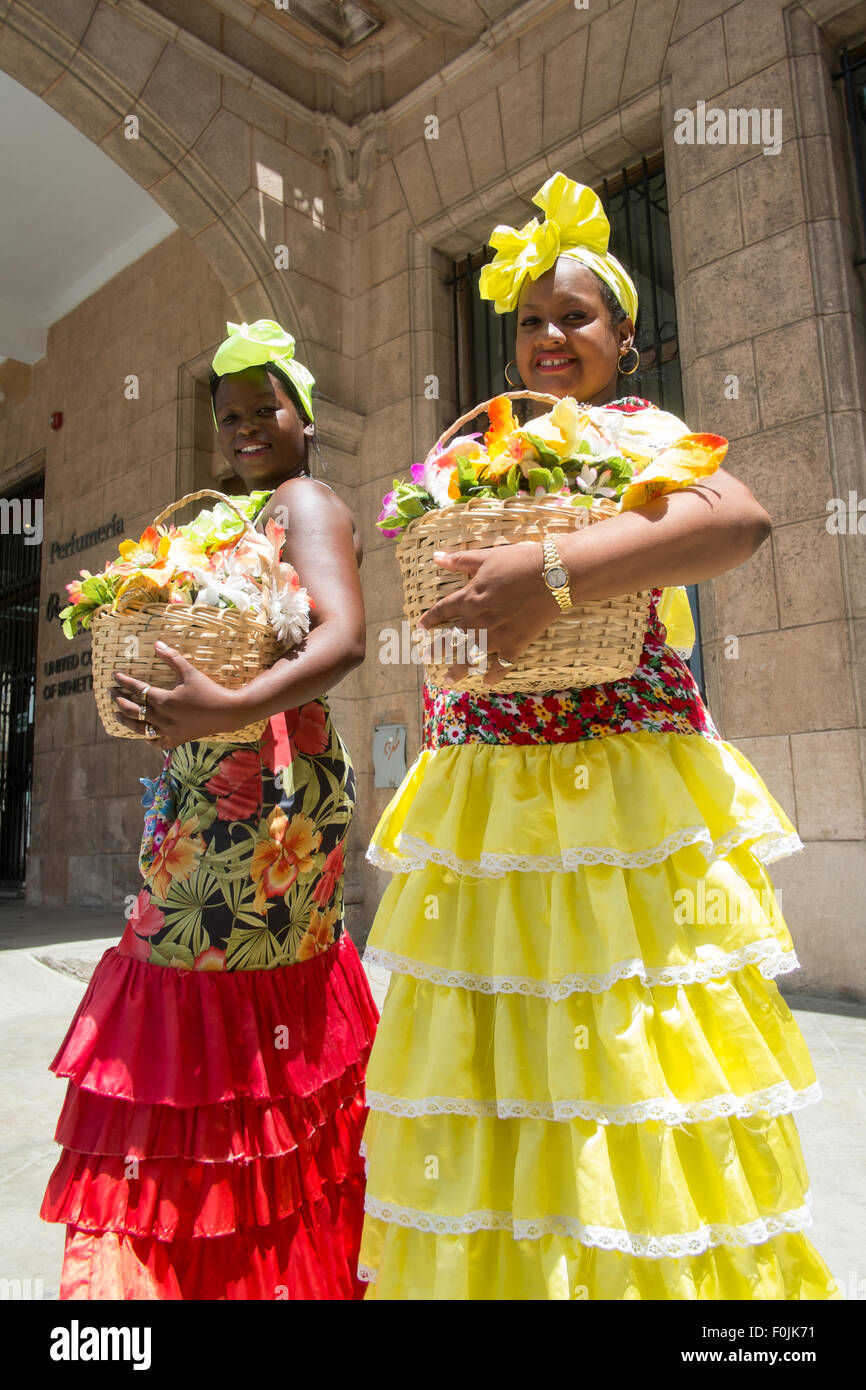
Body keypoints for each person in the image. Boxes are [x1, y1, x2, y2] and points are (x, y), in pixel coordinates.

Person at [356, 174, 841, 1300]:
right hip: (489, 794)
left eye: (574, 315)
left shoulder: (638, 435)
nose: (548, 337)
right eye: (527, 320)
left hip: (616, 788)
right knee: (499, 1053)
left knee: (625, 1036)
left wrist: (548, 572)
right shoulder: (476, 456)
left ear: (624, 335)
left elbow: (737, 521)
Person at [40, 319, 378, 1299]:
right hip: (210, 794)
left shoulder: (303, 500)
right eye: (227, 415)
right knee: (199, 991)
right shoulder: (218, 527)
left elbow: (345, 636)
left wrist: (227, 706)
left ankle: (216, 1262)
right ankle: (214, 1256)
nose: (243, 427)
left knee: (201, 982)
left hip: (276, 804)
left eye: (263, 408)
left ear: (303, 417)